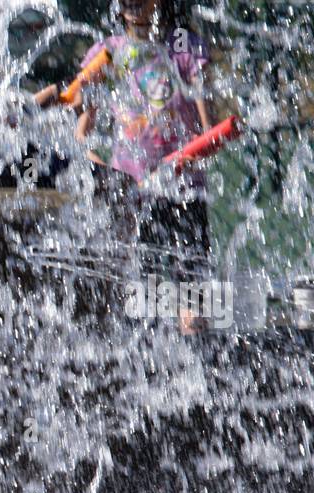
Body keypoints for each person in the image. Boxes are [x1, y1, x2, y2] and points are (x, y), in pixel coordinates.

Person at [38, 0, 214, 333]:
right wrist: (98, 166)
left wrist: (203, 145)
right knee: (133, 305)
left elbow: (210, 133)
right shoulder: (108, 53)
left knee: (194, 308)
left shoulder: (185, 48)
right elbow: (81, 136)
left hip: (184, 192)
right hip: (131, 198)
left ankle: (198, 368)